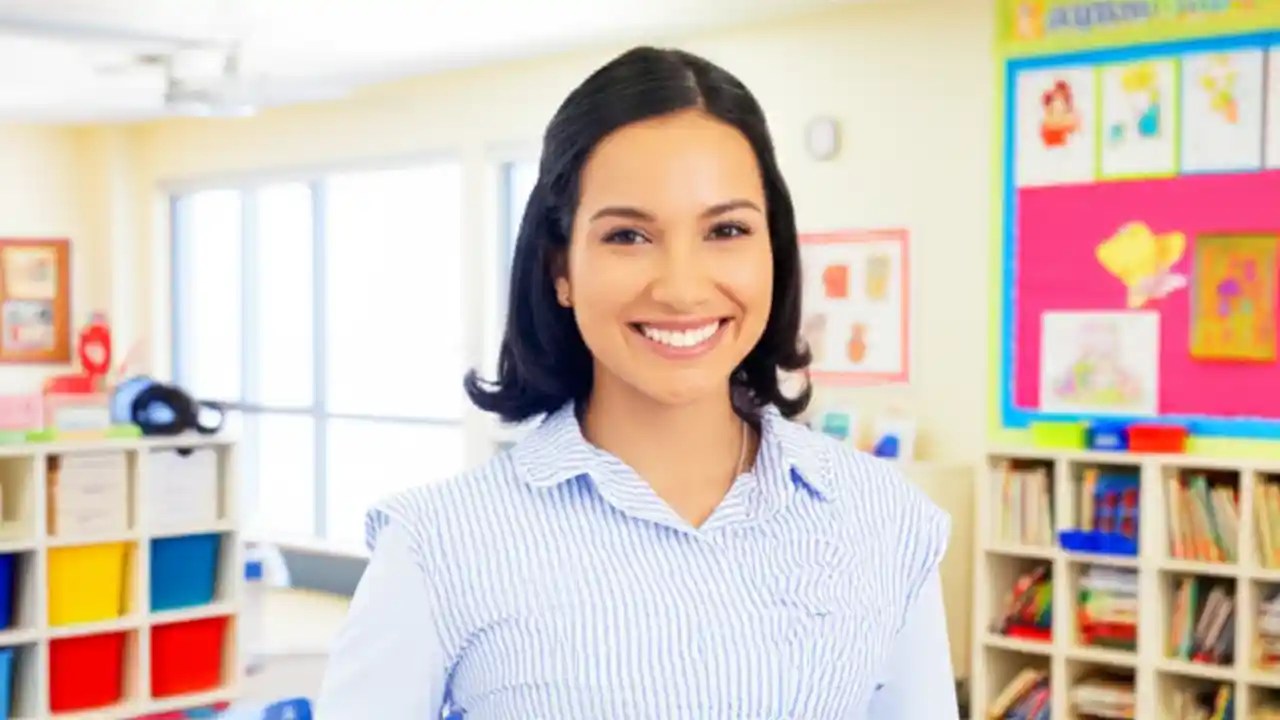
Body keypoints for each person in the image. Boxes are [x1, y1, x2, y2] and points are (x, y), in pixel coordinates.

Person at [316, 46, 957, 719]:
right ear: (560, 266)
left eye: (727, 230)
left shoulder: (884, 519)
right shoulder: (436, 547)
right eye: (628, 236)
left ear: (774, 251)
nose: (681, 288)